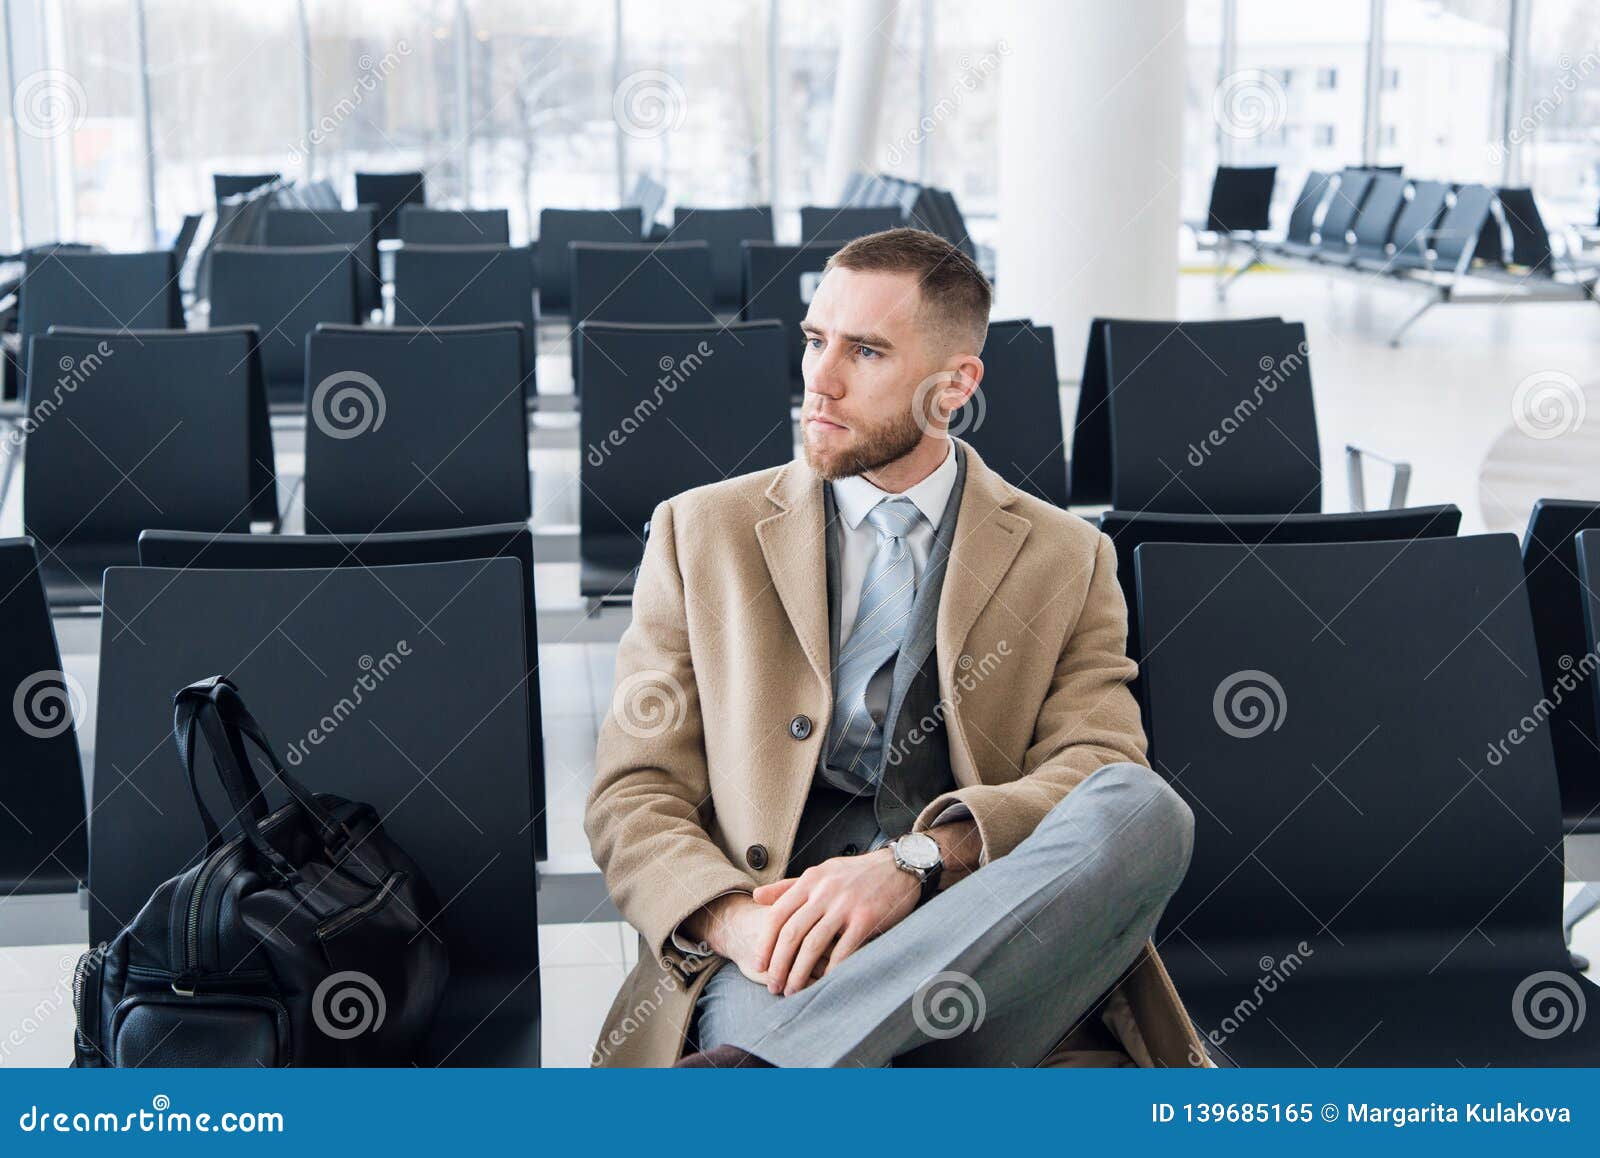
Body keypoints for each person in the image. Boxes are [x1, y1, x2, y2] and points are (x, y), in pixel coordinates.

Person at [585, 228, 1203, 1068]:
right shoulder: (701, 534)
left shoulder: (1066, 555)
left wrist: (918, 863)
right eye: (814, 341)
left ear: (956, 385)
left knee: (1144, 810)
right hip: (784, 954)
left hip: (980, 921)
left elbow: (1094, 764)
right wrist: (742, 924)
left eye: (866, 351)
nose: (820, 381)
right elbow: (635, 793)